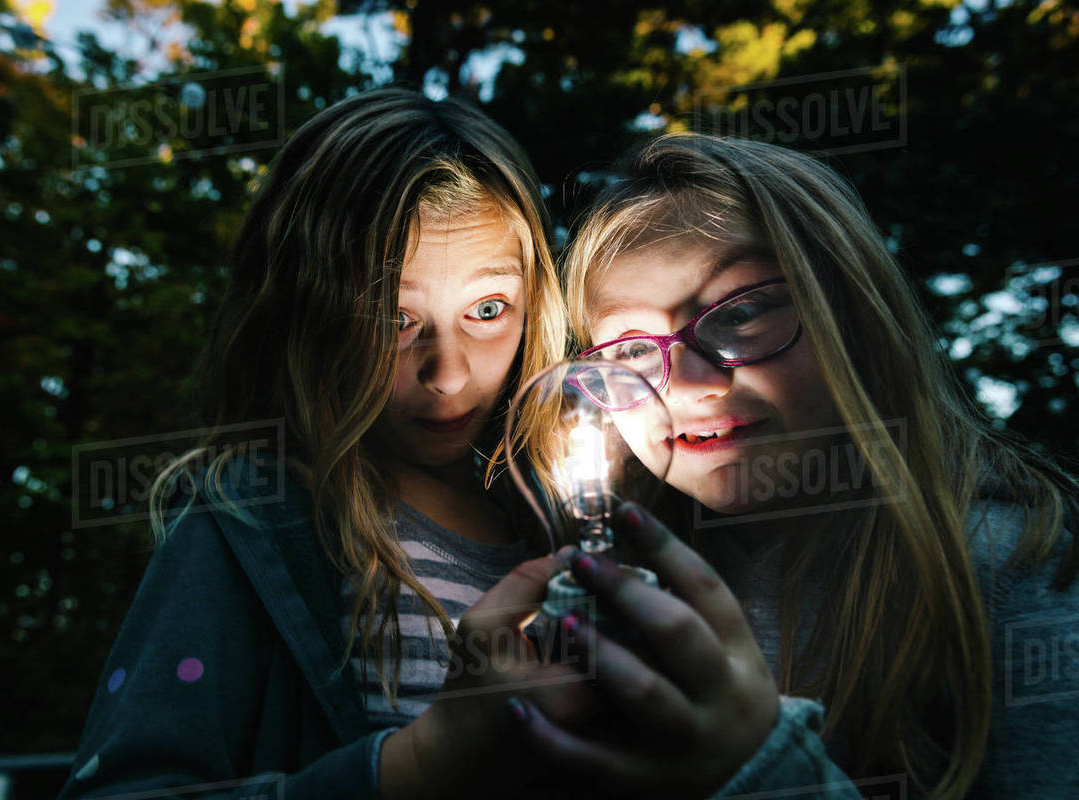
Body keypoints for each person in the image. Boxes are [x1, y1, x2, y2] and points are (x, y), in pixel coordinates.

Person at [502, 133, 1079, 799]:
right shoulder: (622, 592)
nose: (689, 385)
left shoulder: (1008, 572)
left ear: (857, 317)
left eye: (741, 313)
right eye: (631, 351)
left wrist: (762, 772)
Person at [55, 87, 593, 800]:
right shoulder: (249, 525)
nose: (447, 373)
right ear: (305, 318)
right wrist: (425, 761)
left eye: (488, 310)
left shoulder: (562, 525)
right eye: (391, 317)